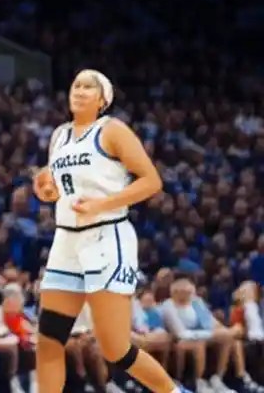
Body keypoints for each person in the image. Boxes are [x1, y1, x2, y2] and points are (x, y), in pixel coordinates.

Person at [32, 69, 183, 393]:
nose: (79, 90)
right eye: (76, 85)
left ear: (103, 99)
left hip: (105, 237)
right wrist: (47, 189)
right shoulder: (59, 135)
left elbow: (151, 181)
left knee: (115, 348)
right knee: (48, 339)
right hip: (66, 240)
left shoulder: (112, 130)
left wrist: (102, 204)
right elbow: (58, 184)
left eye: (89, 87)